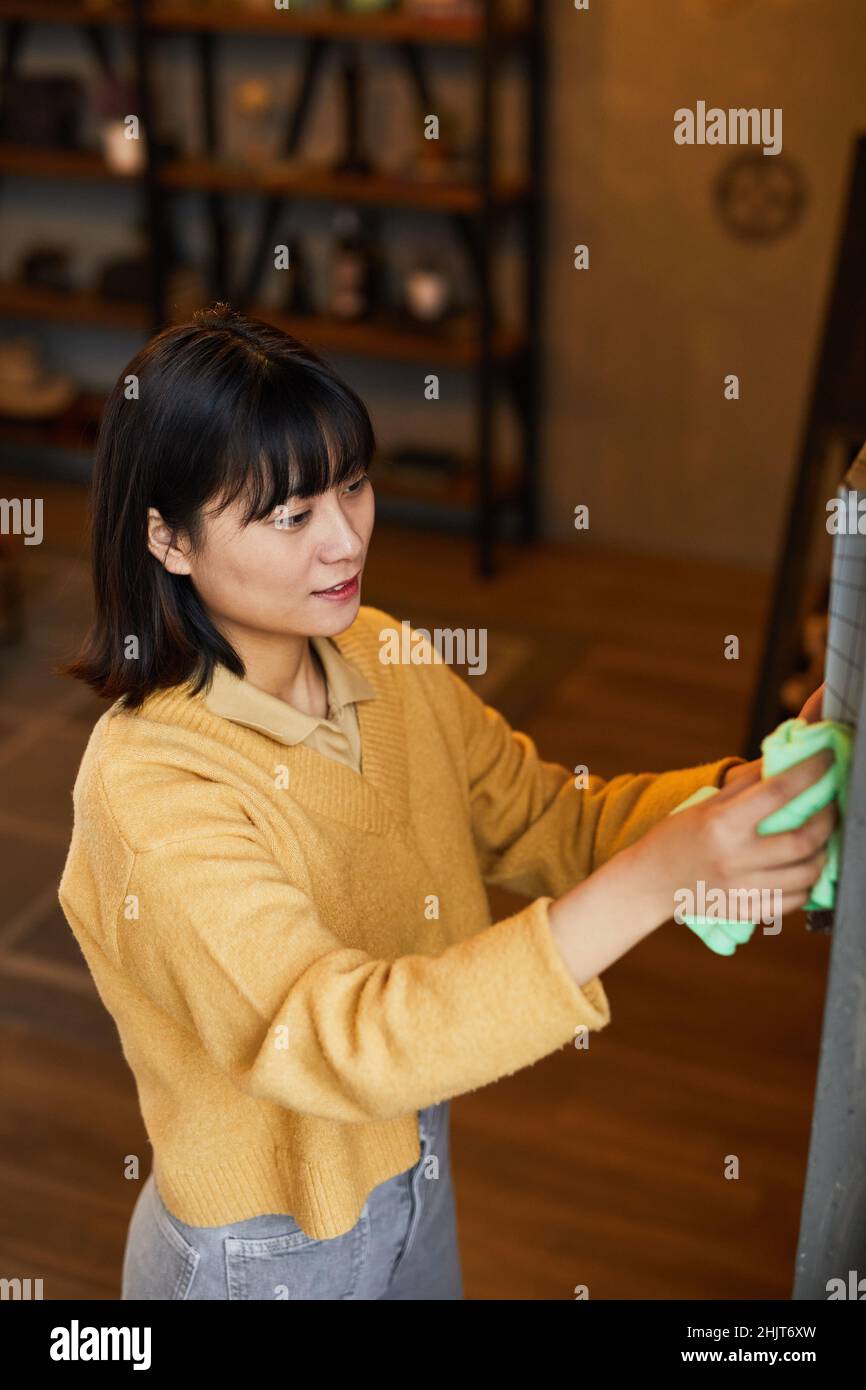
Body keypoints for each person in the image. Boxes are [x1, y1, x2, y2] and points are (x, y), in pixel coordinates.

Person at [56, 304, 836, 1300]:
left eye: (352, 484)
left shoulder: (382, 653)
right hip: (257, 1251)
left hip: (410, 1162)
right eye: (289, 515)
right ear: (167, 538)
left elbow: (551, 820)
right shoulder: (151, 787)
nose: (343, 538)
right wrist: (662, 878)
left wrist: (744, 796)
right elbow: (341, 1038)